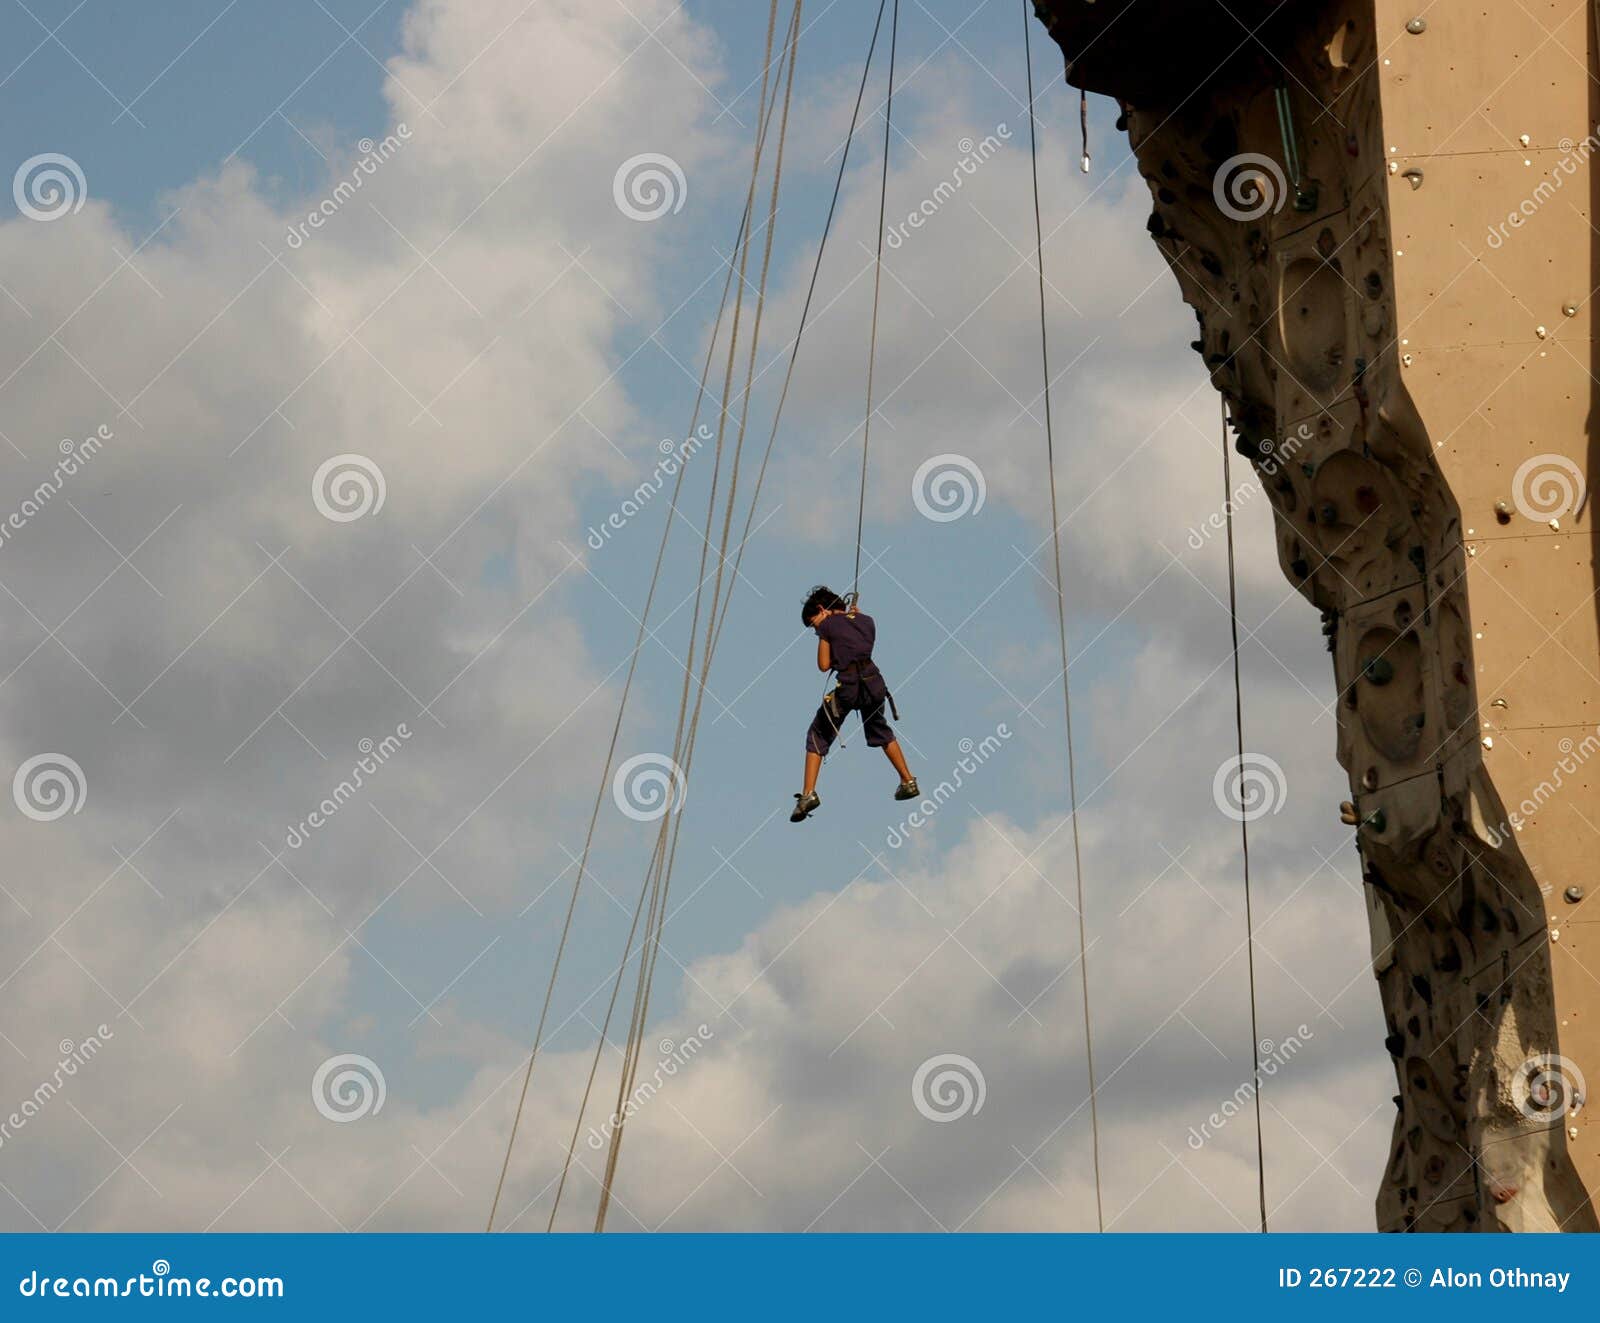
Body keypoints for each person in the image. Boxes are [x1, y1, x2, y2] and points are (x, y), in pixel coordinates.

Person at [791, 585, 918, 823]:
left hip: (849, 686)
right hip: (874, 683)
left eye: (813, 623)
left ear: (822, 609)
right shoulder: (867, 620)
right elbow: (854, 638)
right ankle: (907, 780)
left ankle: (808, 794)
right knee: (881, 730)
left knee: (818, 734)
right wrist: (852, 618)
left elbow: (824, 665)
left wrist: (823, 632)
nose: (815, 628)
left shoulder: (826, 626)